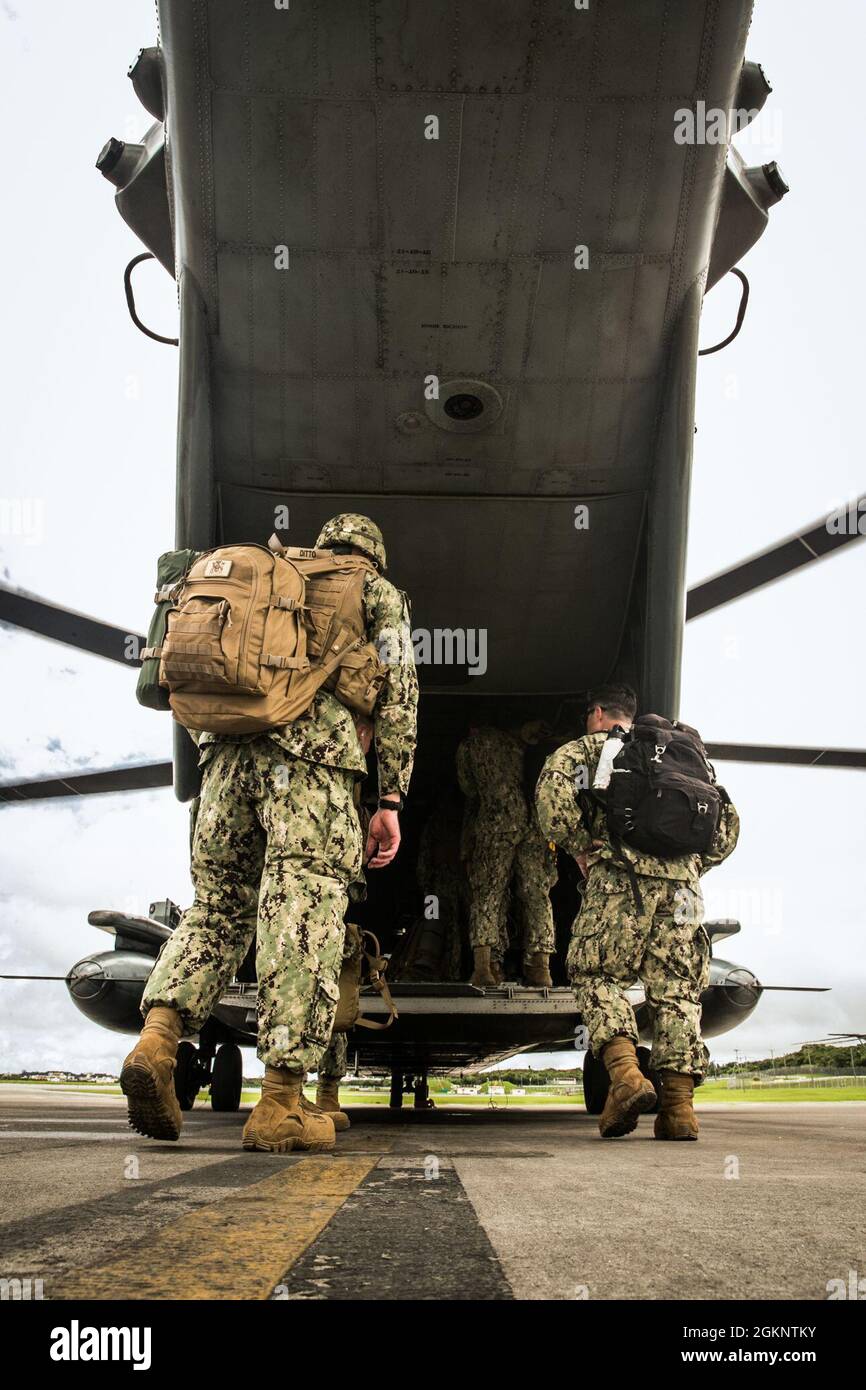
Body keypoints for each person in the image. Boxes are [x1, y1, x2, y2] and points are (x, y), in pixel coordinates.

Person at [121, 514, 418, 1152]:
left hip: (225, 761)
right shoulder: (372, 590)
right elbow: (401, 692)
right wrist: (389, 796)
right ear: (373, 552)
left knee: (216, 911)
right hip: (312, 764)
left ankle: (159, 1040)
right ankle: (282, 1100)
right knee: (302, 911)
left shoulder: (275, 571)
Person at [535, 684, 739, 1141]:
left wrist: (581, 848)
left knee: (597, 973)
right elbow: (727, 829)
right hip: (683, 892)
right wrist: (688, 866)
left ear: (600, 714)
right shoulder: (685, 754)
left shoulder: (594, 747)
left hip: (619, 879)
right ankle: (678, 1109)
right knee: (677, 990)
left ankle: (626, 1076)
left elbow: (550, 795)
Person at [456, 722, 558, 988]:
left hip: (497, 822)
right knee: (536, 892)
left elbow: (468, 788)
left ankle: (484, 968)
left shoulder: (472, 745)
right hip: (535, 824)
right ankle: (540, 966)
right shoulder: (531, 746)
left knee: (488, 892)